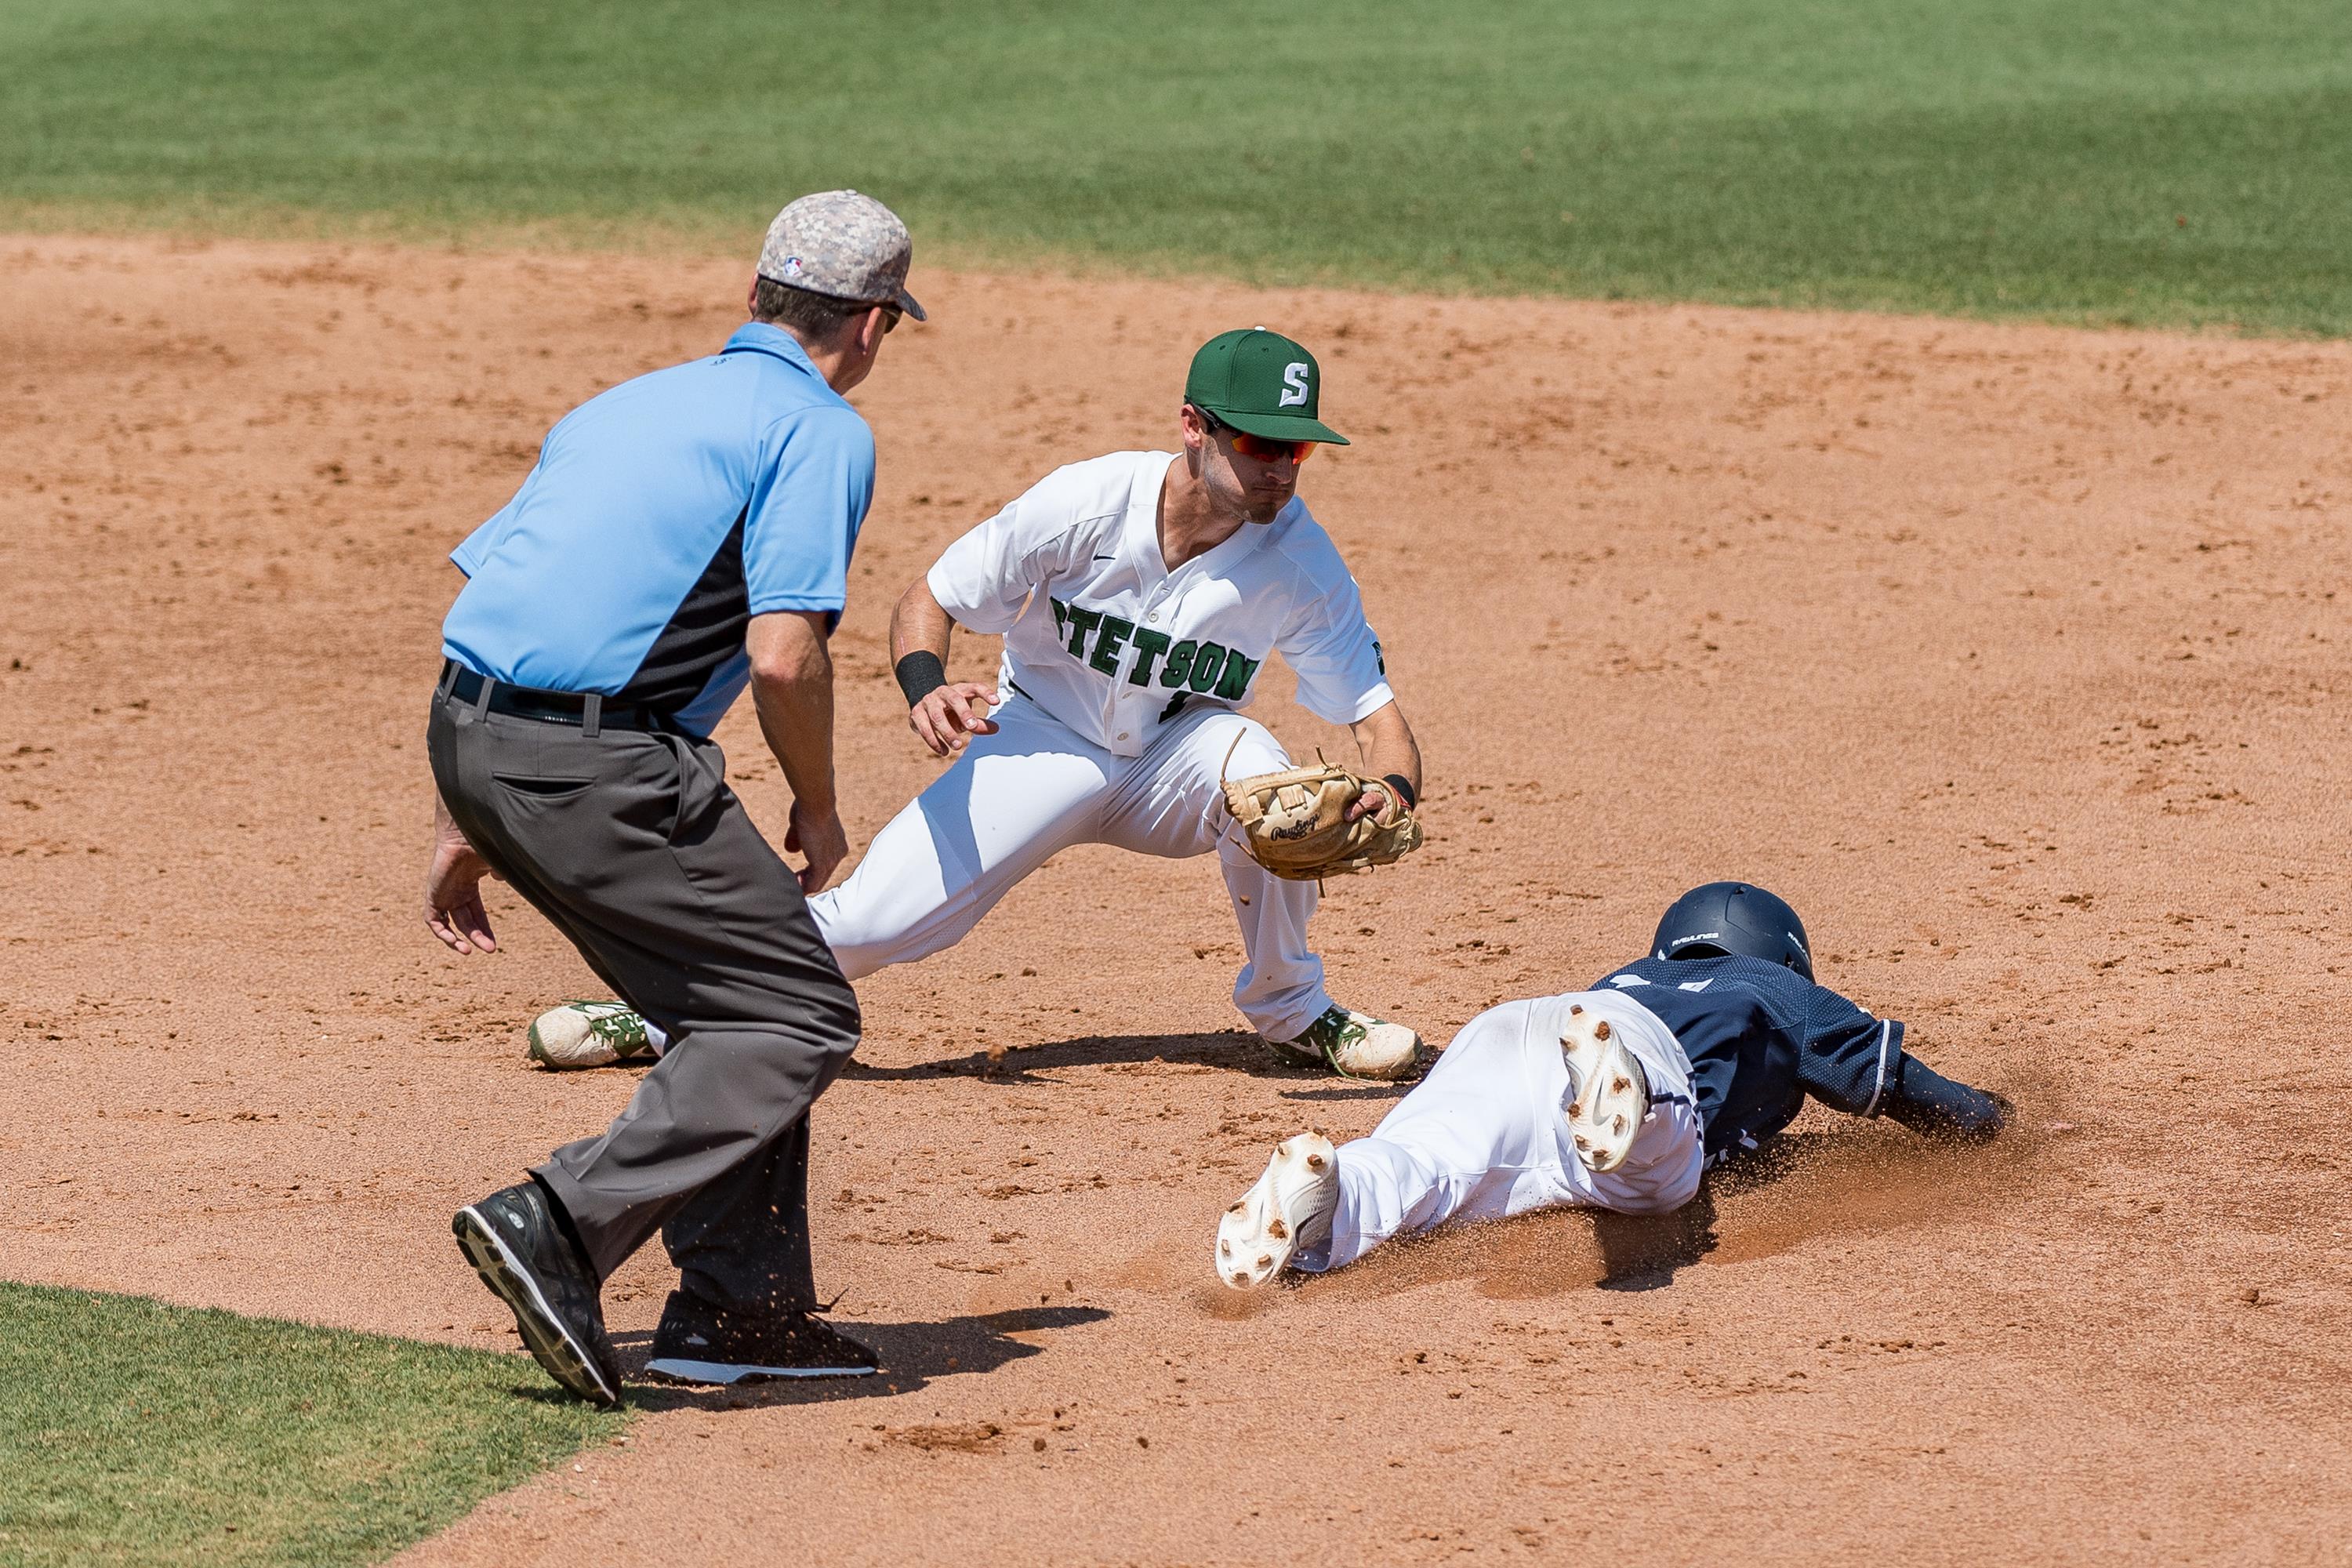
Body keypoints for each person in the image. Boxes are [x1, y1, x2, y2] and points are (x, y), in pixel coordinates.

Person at [528, 328, 1432, 1081]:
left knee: (1270, 784)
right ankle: (667, 1006)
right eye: (1263, 445)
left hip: (1176, 760)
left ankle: (1292, 1008)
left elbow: (1378, 718)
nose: (1283, 471)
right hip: (1041, 736)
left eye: (1297, 450)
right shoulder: (1085, 502)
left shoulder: (1301, 560)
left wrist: (1391, 793)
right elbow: (930, 598)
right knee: (876, 920)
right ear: (1195, 428)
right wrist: (926, 686)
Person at [422, 191, 924, 1402]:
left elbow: (501, 600)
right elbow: (783, 657)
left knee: (740, 993)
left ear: (755, 296)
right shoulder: (818, 431)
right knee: (797, 1015)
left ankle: (742, 1311)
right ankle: (560, 1220)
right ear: (872, 324)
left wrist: (464, 824)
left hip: (470, 736)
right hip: (599, 767)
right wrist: (820, 807)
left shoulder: (621, 404)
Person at [1214, 882, 2011, 1289]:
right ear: (1782, 955)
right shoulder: (1772, 987)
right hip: (1626, 1046)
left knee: (1427, 1161)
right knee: (1659, 1175)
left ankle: (1332, 1191)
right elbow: (1894, 1078)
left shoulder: (1632, 974)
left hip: (1516, 1028)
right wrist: (1994, 1122)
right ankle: (1630, 1094)